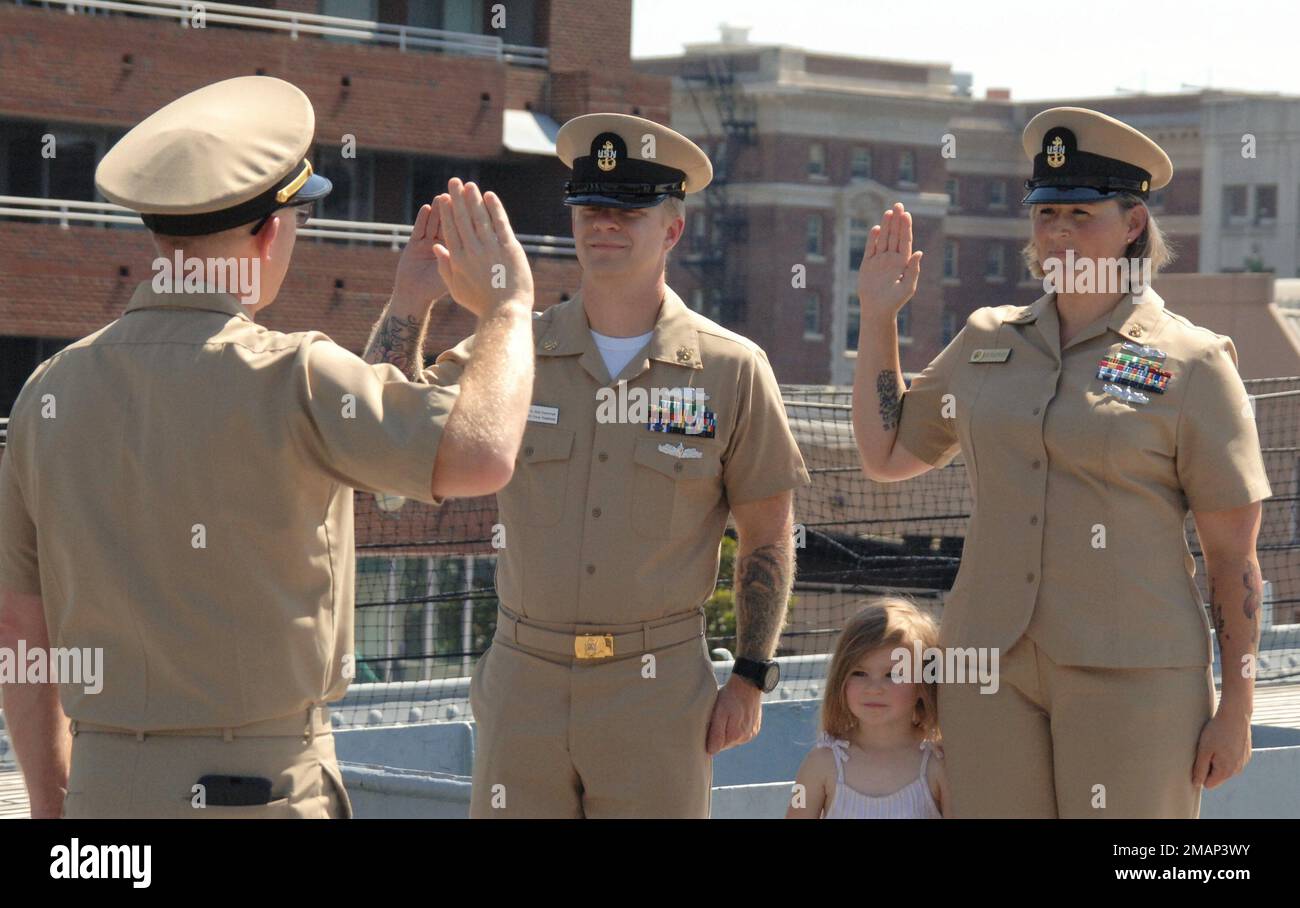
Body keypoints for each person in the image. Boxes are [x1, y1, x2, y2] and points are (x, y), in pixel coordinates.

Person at [0, 75, 536, 818]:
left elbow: (20, 634)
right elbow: (482, 453)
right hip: (256, 794)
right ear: (267, 231)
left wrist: (61, 809)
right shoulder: (293, 375)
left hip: (104, 795)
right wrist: (509, 309)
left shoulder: (47, 393)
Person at [368, 112, 811, 818]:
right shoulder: (512, 353)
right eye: (590, 207)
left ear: (672, 229)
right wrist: (409, 302)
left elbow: (768, 532)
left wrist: (752, 676)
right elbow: (383, 453)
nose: (603, 223)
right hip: (524, 681)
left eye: (627, 210)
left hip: (658, 688)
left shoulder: (731, 370)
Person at [851, 107, 1272, 818]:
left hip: (1134, 674)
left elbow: (1235, 557)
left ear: (1132, 224)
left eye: (1082, 213)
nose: (1060, 232)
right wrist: (878, 317)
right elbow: (888, 453)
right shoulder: (988, 341)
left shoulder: (1192, 362)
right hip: (989, 671)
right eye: (1046, 214)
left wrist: (1237, 708)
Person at [786, 598, 948, 819]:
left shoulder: (939, 764)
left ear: (924, 684)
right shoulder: (819, 764)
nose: (874, 688)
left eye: (893, 675)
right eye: (859, 673)